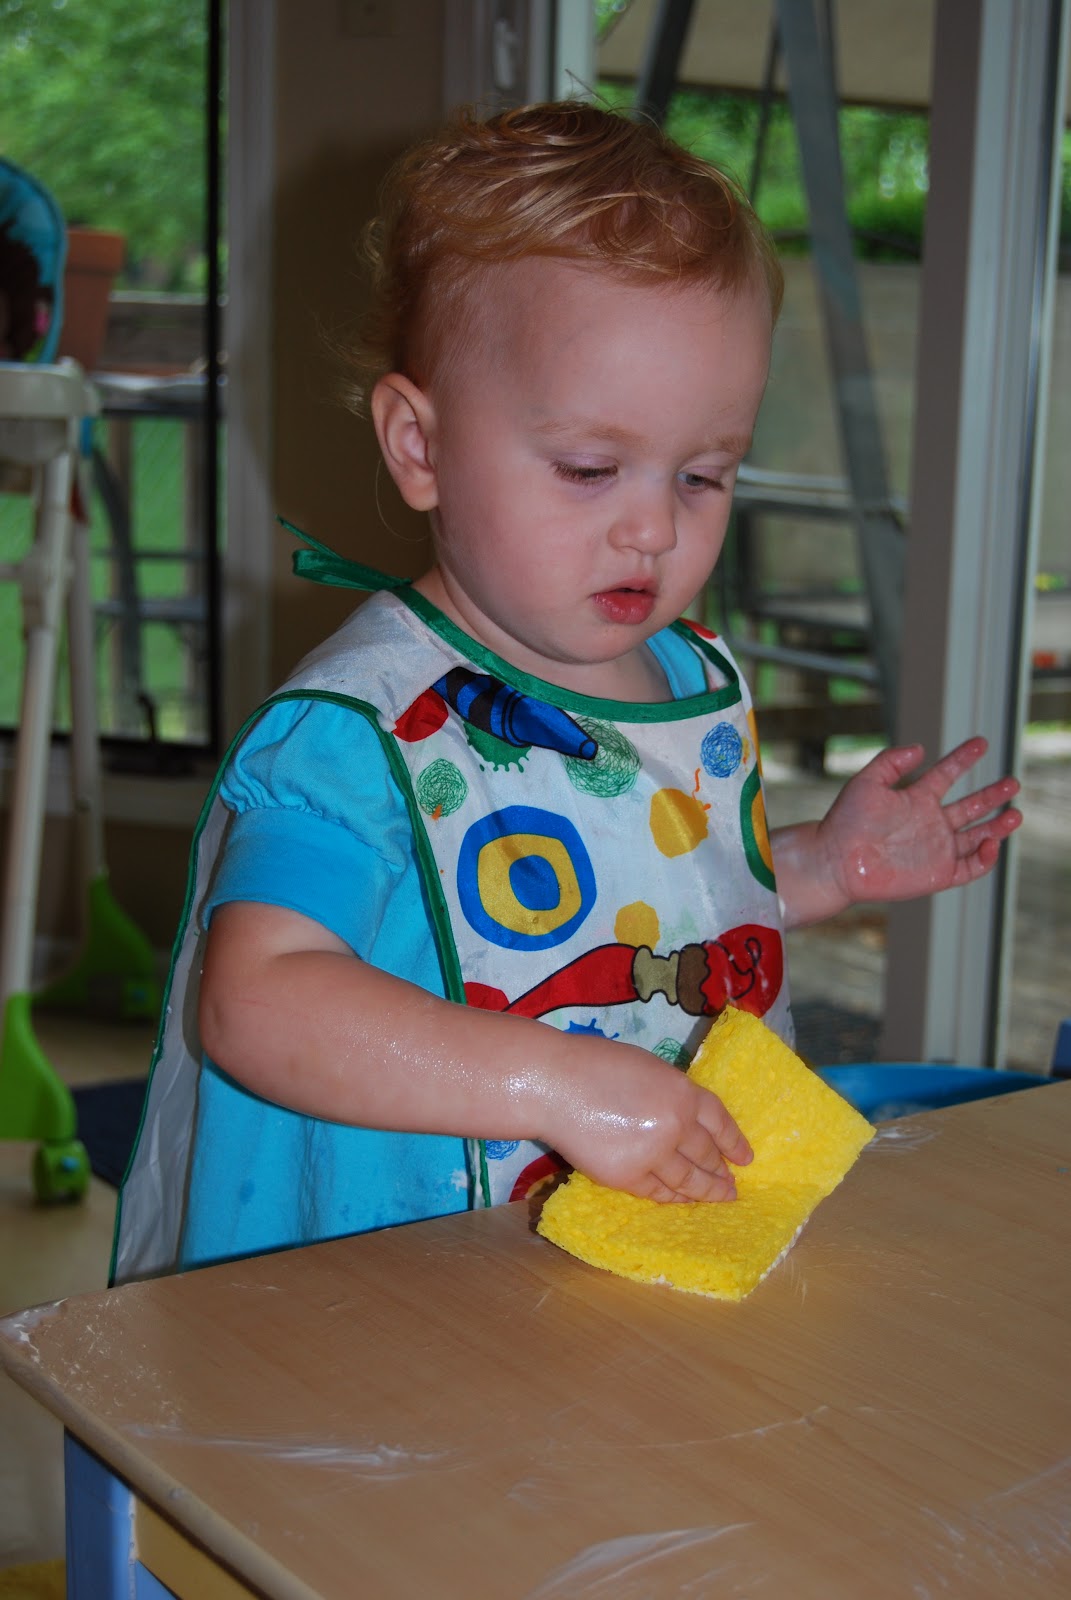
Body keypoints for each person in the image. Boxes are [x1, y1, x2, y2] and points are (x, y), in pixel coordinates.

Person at [111, 102, 1021, 1284]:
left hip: (616, 1265)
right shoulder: (363, 734)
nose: (652, 525)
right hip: (386, 1299)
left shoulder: (690, 680)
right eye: (591, 469)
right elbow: (259, 997)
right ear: (420, 447)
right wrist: (557, 1083)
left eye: (704, 474)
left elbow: (649, 906)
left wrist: (819, 868)